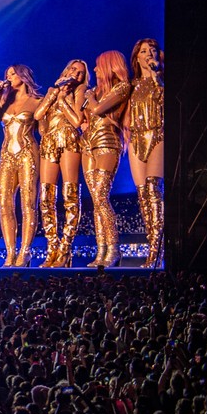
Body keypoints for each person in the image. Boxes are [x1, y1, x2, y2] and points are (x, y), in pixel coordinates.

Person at [66, 50, 131, 267]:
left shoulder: (122, 87)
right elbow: (81, 118)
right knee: (95, 201)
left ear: (109, 65)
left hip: (107, 142)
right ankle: (101, 252)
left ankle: (114, 249)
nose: (94, 70)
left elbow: (98, 108)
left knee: (102, 197)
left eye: (97, 65)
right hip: (87, 145)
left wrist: (90, 98)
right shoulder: (93, 90)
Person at [0, 64, 43, 266]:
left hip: (28, 154)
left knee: (28, 204)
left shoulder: (37, 102)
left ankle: (25, 251)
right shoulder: (3, 102)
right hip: (6, 156)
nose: (8, 76)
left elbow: (43, 131)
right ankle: (10, 253)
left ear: (23, 76)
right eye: (6, 73)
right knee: (4, 205)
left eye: (12, 73)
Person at [32, 60, 87, 267]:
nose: (76, 74)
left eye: (80, 73)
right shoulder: (52, 90)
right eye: (73, 69)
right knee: (46, 196)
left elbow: (76, 121)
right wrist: (54, 94)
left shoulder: (80, 91)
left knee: (70, 195)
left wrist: (63, 99)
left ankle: (65, 249)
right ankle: (52, 249)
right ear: (65, 70)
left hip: (70, 140)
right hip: (49, 141)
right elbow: (38, 115)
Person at [125, 38, 164, 268]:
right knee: (142, 196)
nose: (149, 54)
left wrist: (157, 75)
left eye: (153, 50)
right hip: (136, 138)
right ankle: (153, 245)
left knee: (152, 188)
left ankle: (156, 254)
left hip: (158, 134)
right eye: (144, 51)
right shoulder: (131, 85)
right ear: (137, 57)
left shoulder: (163, 82)